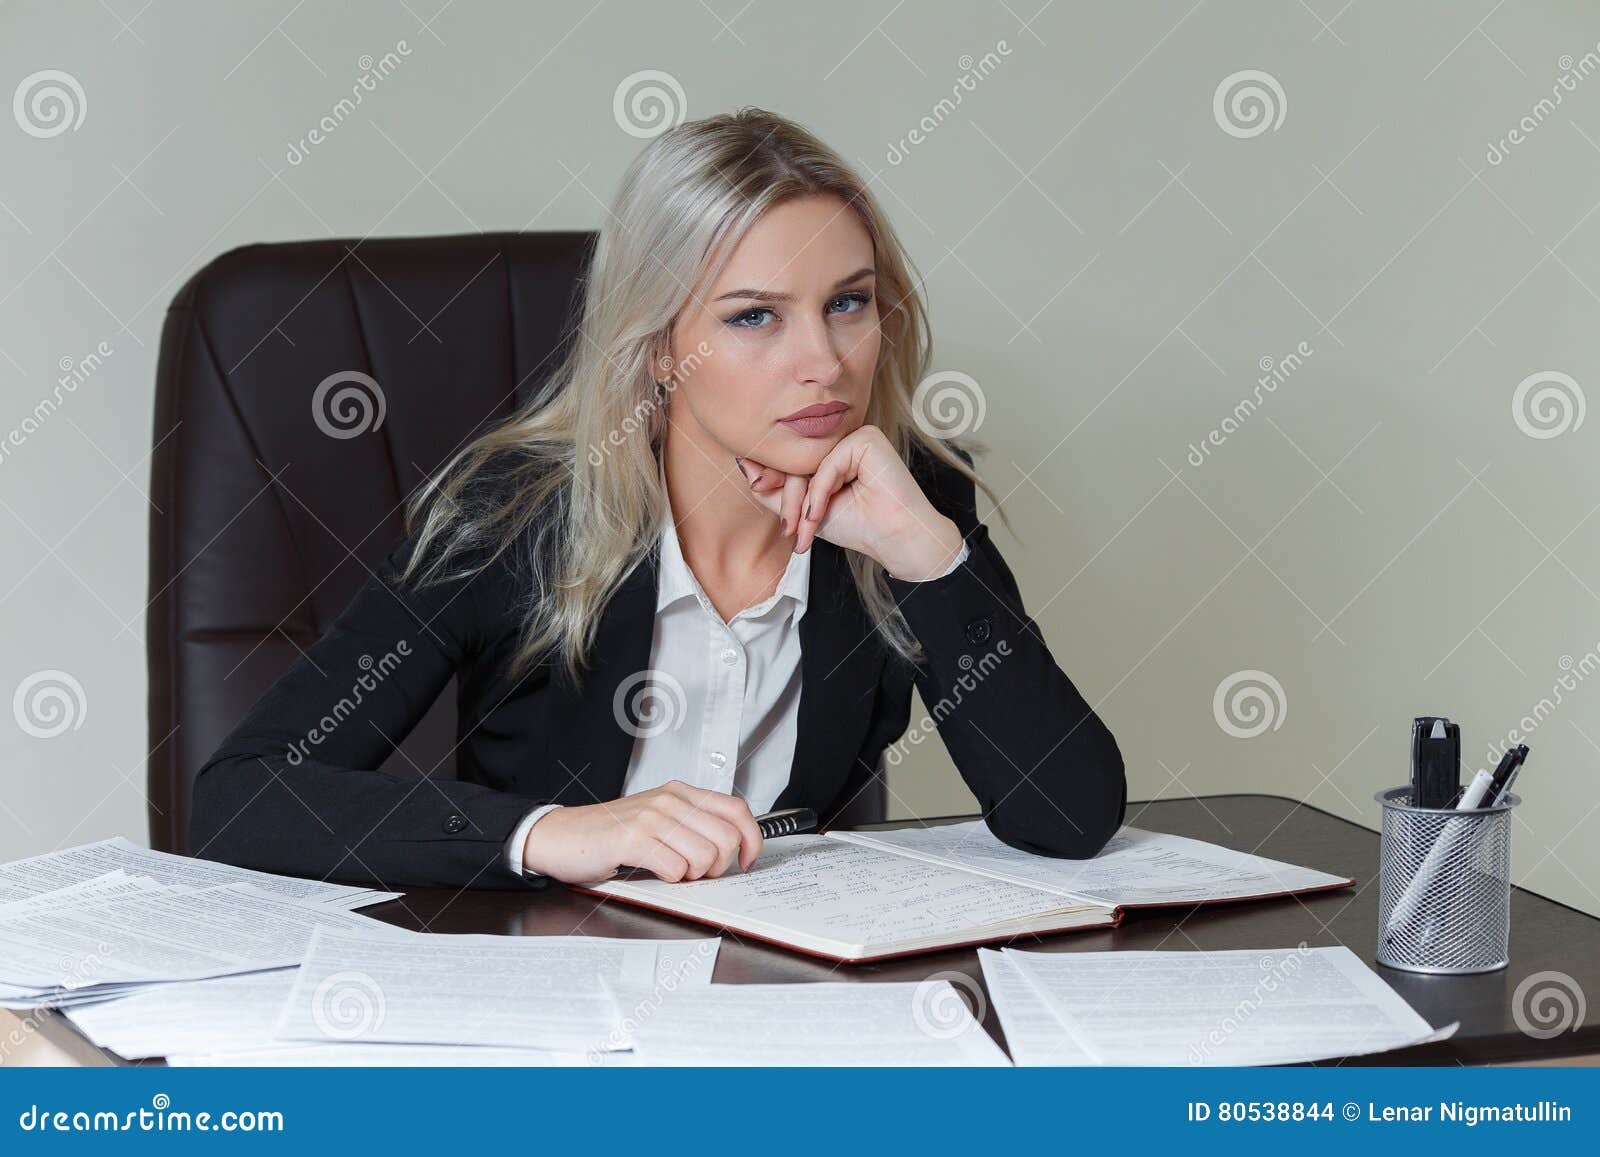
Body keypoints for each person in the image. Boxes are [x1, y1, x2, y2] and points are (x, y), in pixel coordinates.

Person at [189, 107, 1126, 891]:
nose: (826, 362)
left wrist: (928, 561)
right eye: (754, 315)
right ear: (655, 348)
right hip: (550, 1002)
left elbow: (1070, 815)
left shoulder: (910, 499)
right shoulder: (512, 516)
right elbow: (244, 795)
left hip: (794, 1009)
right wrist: (555, 834)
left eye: (849, 302)